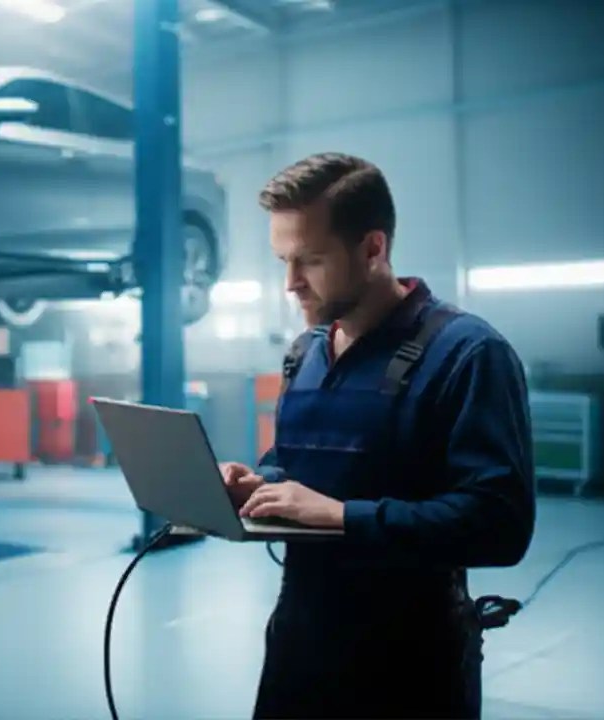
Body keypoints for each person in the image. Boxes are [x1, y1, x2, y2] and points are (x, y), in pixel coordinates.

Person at [218, 152, 536, 719]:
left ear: (372, 249)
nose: (290, 284)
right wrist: (259, 482)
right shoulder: (305, 353)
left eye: (311, 260)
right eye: (283, 261)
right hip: (298, 648)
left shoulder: (468, 354)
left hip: (411, 665)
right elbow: (295, 463)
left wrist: (343, 517)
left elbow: (501, 524)